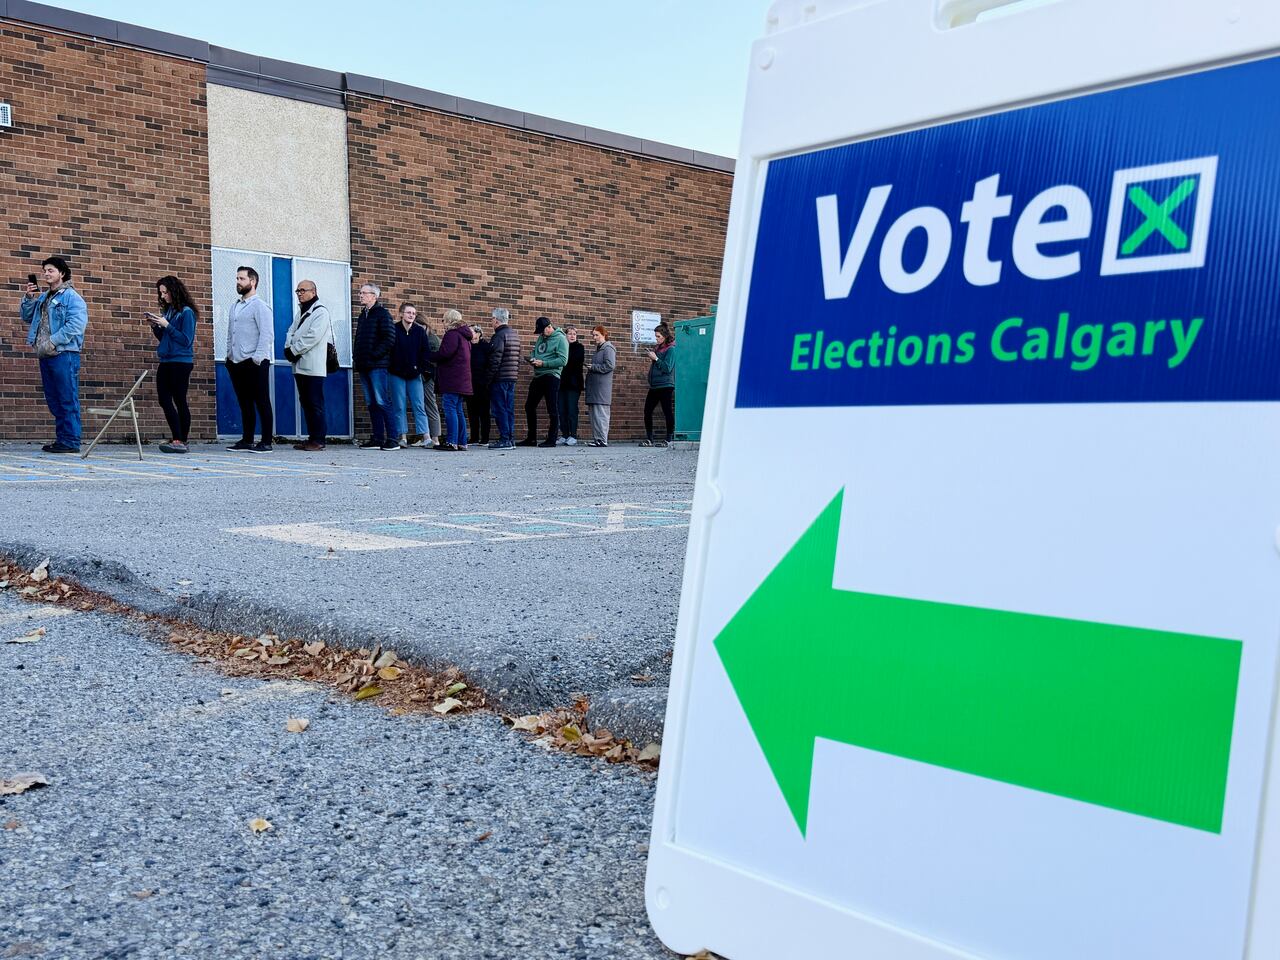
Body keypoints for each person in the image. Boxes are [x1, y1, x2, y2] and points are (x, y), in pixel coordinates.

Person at [21, 256, 88, 453]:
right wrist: (29, 298)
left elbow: (76, 325)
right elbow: (27, 317)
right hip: (46, 354)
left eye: (51, 270)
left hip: (63, 354)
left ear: (62, 273)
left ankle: (71, 441)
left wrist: (53, 341)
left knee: (67, 398)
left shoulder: (72, 297)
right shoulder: (44, 297)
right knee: (54, 399)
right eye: (45, 271)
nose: (46, 274)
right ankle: (62, 439)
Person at [146, 275, 198, 454]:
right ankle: (178, 438)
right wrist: (156, 326)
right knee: (164, 399)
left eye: (165, 292)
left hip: (181, 362)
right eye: (160, 293)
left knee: (179, 400)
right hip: (166, 360)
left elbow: (186, 340)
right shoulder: (168, 312)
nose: (162, 296)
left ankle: (180, 440)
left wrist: (167, 325)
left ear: (174, 291)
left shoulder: (186, 312)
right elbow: (165, 338)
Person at [224, 265, 274, 452]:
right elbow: (231, 334)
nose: (238, 282)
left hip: (255, 362)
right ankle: (247, 440)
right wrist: (229, 356)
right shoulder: (235, 306)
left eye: (242, 279)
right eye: (237, 278)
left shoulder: (260, 306)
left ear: (252, 281)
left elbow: (267, 334)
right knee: (244, 402)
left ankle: (266, 442)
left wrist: (257, 359)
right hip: (236, 362)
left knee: (262, 401)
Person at [283, 279, 331, 452]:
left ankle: (318, 440)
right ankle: (312, 437)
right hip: (300, 365)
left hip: (313, 367)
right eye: (298, 291)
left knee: (314, 404)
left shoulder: (320, 312)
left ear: (313, 291)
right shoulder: (301, 312)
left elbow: (313, 336)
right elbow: (291, 331)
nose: (300, 293)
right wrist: (288, 347)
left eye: (303, 290)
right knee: (306, 403)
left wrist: (294, 350)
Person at [352, 281, 398, 451]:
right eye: (360, 293)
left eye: (363, 293)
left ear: (374, 296)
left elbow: (389, 338)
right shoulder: (363, 315)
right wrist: (357, 357)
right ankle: (378, 438)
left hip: (377, 365)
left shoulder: (382, 314)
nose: (360, 295)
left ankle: (393, 439)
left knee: (382, 401)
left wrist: (374, 355)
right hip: (364, 365)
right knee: (372, 403)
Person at [428, 309, 473, 451]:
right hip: (462, 379)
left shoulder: (452, 334)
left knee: (450, 408)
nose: (443, 323)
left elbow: (444, 353)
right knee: (458, 410)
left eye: (443, 320)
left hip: (452, 379)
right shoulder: (465, 337)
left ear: (449, 320)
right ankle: (462, 442)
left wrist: (428, 355)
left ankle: (452, 441)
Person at [388, 303, 432, 448]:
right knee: (399, 406)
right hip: (396, 374)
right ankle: (402, 437)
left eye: (413, 313)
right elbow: (388, 350)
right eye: (408, 312)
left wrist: (420, 369)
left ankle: (426, 437)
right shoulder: (393, 329)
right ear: (401, 314)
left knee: (419, 405)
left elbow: (425, 352)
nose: (411, 315)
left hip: (414, 374)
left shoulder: (419, 331)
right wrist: (392, 366)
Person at [520, 316, 567, 448]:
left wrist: (544, 363)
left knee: (552, 408)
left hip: (552, 376)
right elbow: (535, 351)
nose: (541, 334)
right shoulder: (541, 337)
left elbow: (563, 360)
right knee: (529, 406)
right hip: (539, 375)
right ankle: (531, 438)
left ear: (549, 327)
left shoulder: (561, 339)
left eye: (542, 331)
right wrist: (533, 359)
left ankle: (552, 439)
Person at [485, 307, 520, 449]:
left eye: (492, 319)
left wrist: (488, 379)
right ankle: (510, 439)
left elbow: (495, 360)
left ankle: (505, 439)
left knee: (500, 409)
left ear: (496, 320)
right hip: (511, 377)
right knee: (508, 409)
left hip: (500, 378)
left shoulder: (499, 336)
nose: (491, 321)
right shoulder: (514, 335)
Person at [642, 322, 676, 447]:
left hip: (666, 385)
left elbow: (667, 368)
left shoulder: (671, 349)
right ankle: (649, 439)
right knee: (647, 411)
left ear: (665, 336)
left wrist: (655, 358)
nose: (656, 339)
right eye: (655, 336)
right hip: (654, 386)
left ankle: (669, 439)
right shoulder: (658, 348)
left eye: (658, 336)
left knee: (667, 411)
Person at [585, 325, 616, 447]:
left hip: (602, 388)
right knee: (594, 415)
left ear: (604, 335)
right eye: (593, 335)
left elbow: (610, 365)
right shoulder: (599, 349)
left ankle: (602, 439)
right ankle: (597, 439)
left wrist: (593, 367)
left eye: (597, 335)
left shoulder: (608, 348)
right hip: (595, 387)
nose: (594, 337)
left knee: (601, 414)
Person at [556, 325, 584, 445]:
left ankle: (573, 435)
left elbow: (570, 361)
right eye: (570, 334)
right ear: (565, 335)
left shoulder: (579, 347)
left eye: (574, 334)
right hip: (561, 383)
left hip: (573, 384)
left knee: (571, 410)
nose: (572, 336)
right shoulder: (561, 346)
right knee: (561, 410)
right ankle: (565, 434)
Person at [418, 313, 443, 448]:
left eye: (420, 326)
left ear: (426, 325)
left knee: (430, 405)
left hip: (428, 377)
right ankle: (426, 436)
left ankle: (435, 437)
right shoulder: (424, 337)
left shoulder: (432, 340)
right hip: (423, 375)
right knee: (422, 405)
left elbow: (435, 361)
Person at [467, 324, 493, 446]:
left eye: (471, 331)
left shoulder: (485, 347)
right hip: (469, 383)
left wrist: (486, 380)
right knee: (472, 411)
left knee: (484, 412)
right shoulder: (467, 346)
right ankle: (474, 437)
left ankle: (485, 438)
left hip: (483, 384)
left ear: (478, 333)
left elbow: (490, 365)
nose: (469, 334)